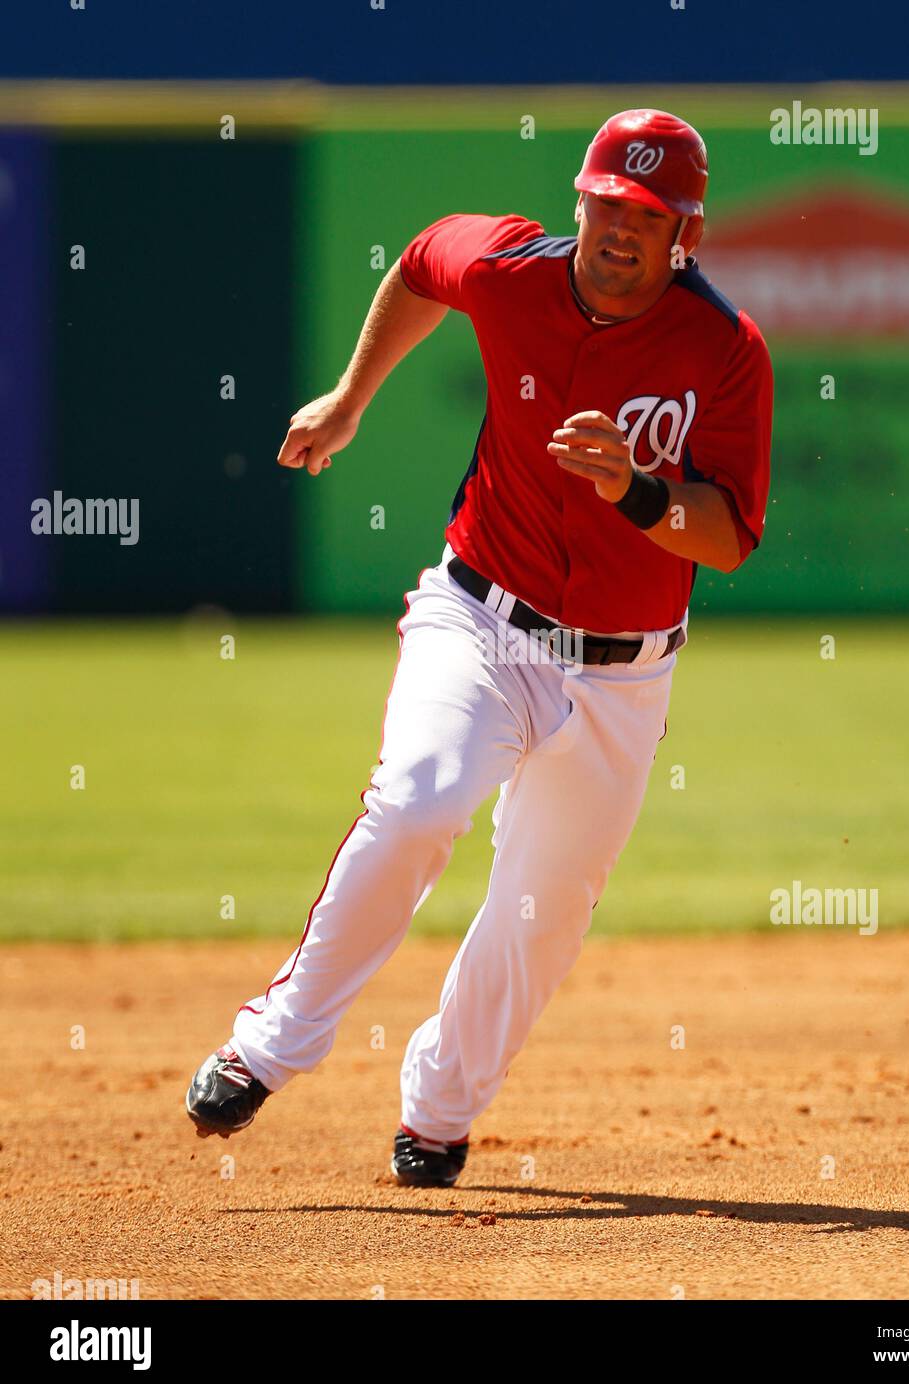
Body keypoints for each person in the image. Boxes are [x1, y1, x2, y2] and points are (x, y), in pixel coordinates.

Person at [185, 108, 773, 1188]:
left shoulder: (723, 350)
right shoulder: (506, 268)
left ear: (684, 231)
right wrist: (352, 397)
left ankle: (439, 1112)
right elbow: (419, 264)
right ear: (578, 199)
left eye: (649, 213)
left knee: (542, 914)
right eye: (605, 200)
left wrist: (636, 494)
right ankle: (267, 1046)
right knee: (418, 801)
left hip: (622, 672)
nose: (619, 225)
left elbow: (728, 533)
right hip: (480, 618)